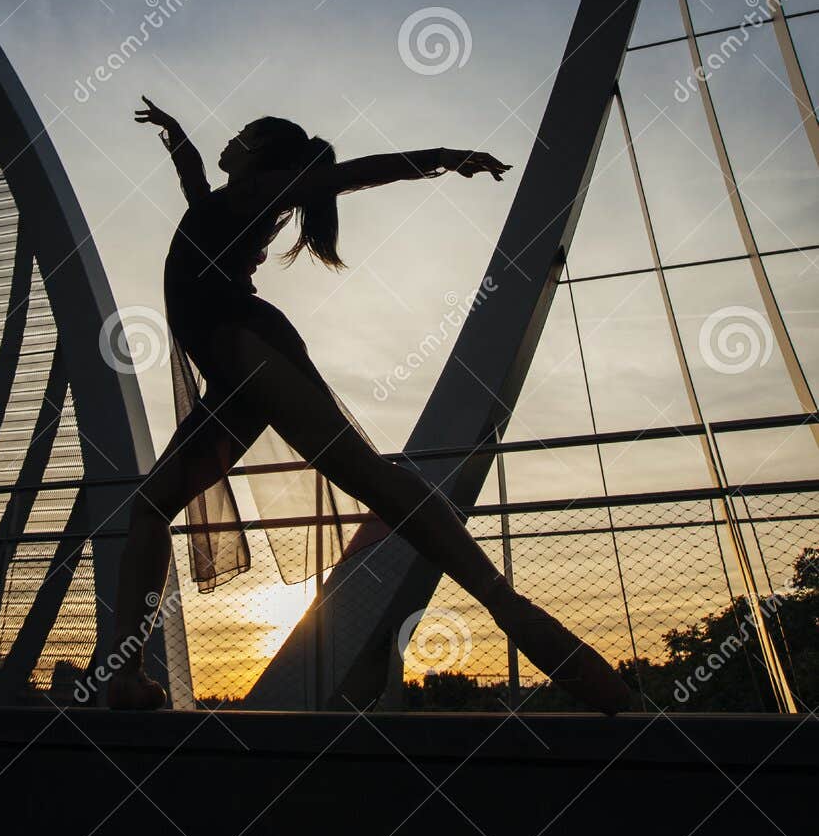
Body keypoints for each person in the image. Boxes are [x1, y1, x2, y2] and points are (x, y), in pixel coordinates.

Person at [107, 97, 630, 716]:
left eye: (242, 135)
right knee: (151, 506)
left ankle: (503, 602)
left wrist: (442, 159)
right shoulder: (224, 206)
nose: (233, 138)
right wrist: (176, 139)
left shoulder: (256, 195)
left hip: (249, 350)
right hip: (232, 371)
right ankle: (125, 674)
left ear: (259, 157)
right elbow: (197, 186)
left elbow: (349, 174)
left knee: (369, 477)